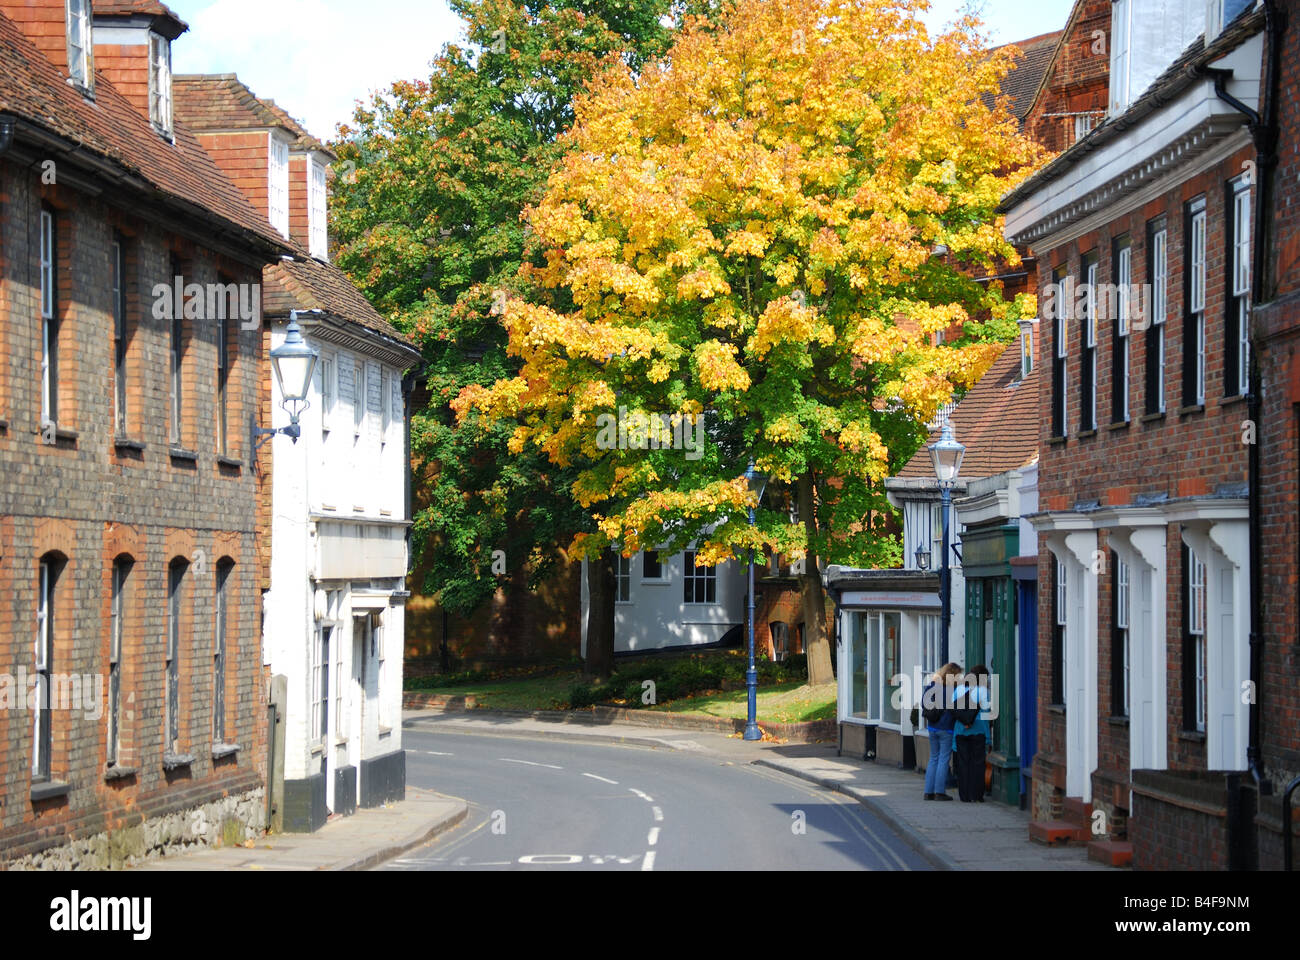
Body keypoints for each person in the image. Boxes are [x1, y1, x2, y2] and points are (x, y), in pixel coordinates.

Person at [921, 662, 962, 801]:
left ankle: (928, 792)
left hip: (932, 727)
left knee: (933, 758)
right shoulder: (954, 690)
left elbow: (923, 704)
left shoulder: (933, 685)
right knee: (943, 760)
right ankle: (939, 792)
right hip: (947, 728)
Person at [952, 665, 992, 802]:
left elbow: (953, 709)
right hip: (979, 731)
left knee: (963, 763)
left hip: (961, 731)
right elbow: (987, 713)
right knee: (978, 763)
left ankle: (964, 795)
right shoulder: (983, 691)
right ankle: (977, 795)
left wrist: (964, 721)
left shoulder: (959, 689)